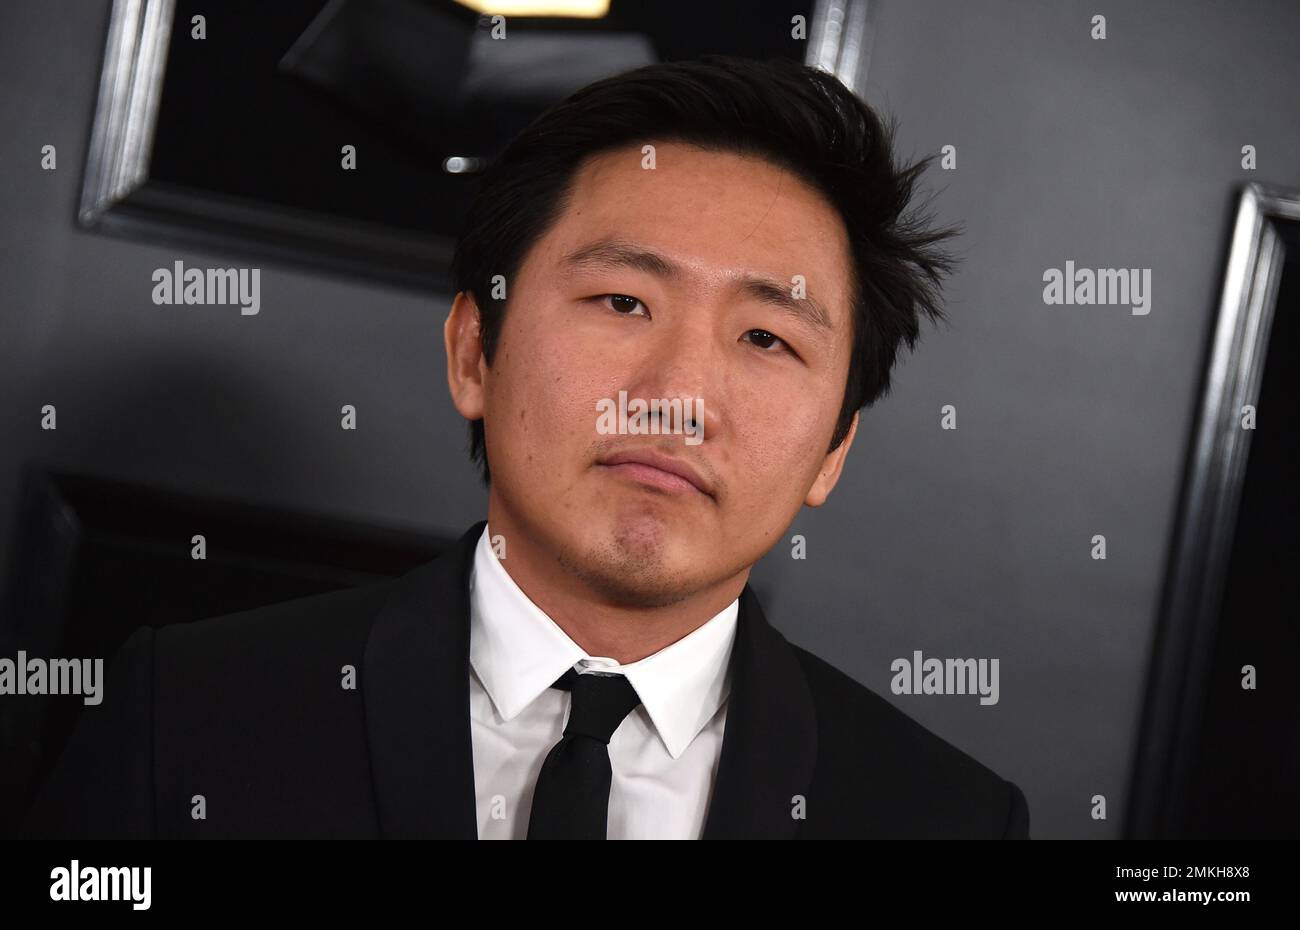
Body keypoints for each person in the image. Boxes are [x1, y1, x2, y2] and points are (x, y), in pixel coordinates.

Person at [24, 55, 1029, 839]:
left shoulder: (944, 818)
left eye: (767, 338)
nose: (677, 398)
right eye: (622, 301)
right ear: (475, 350)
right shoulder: (188, 717)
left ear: (832, 451)